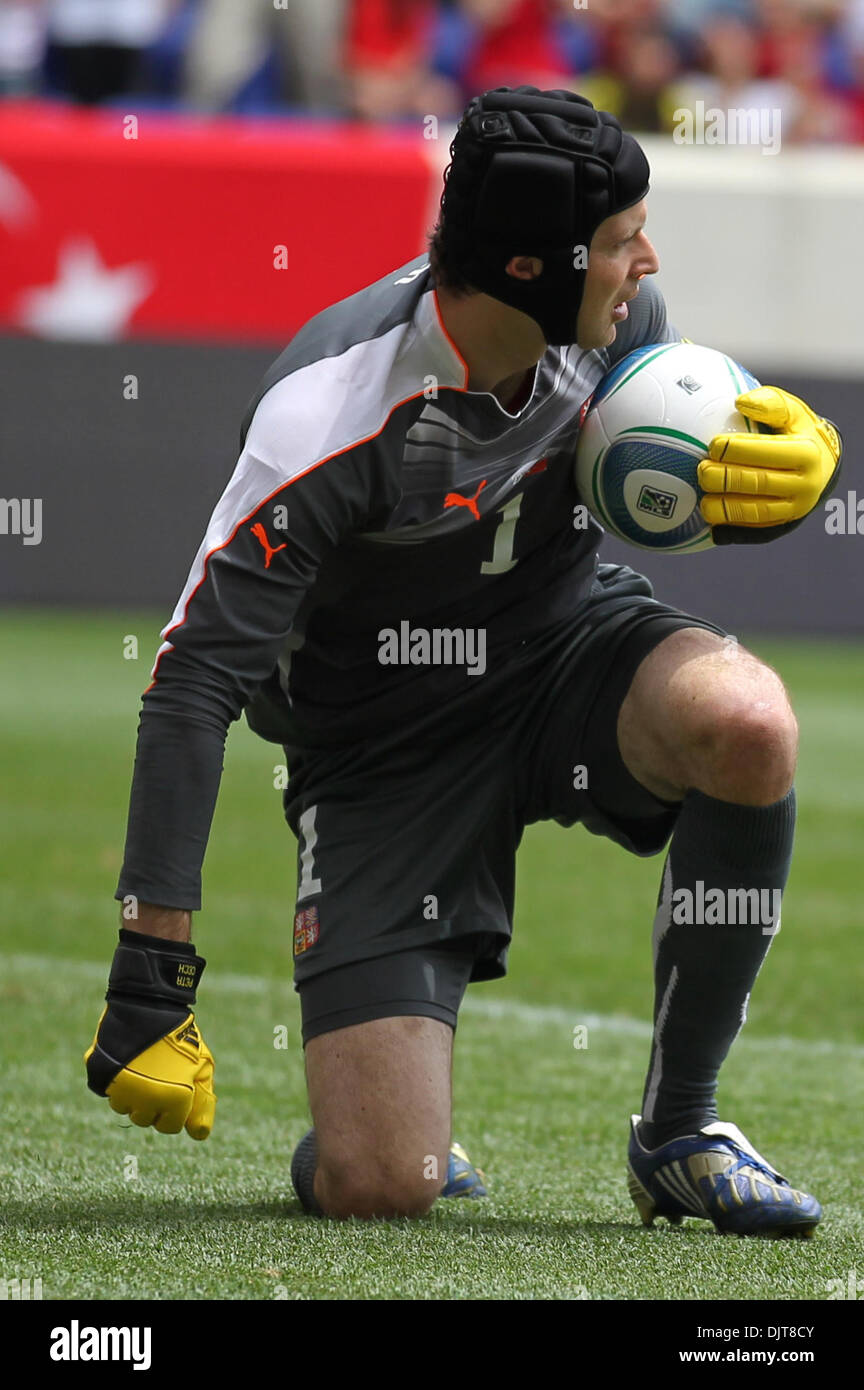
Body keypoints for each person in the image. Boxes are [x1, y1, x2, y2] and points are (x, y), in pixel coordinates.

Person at [85, 86, 840, 1234]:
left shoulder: (614, 322)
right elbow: (192, 679)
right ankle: (367, 1125)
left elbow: (654, 463)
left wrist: (744, 489)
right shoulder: (325, 416)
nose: (649, 259)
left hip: (565, 650)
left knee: (749, 720)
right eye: (624, 240)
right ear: (535, 268)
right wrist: (152, 969)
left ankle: (681, 1128)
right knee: (387, 1185)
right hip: (381, 747)